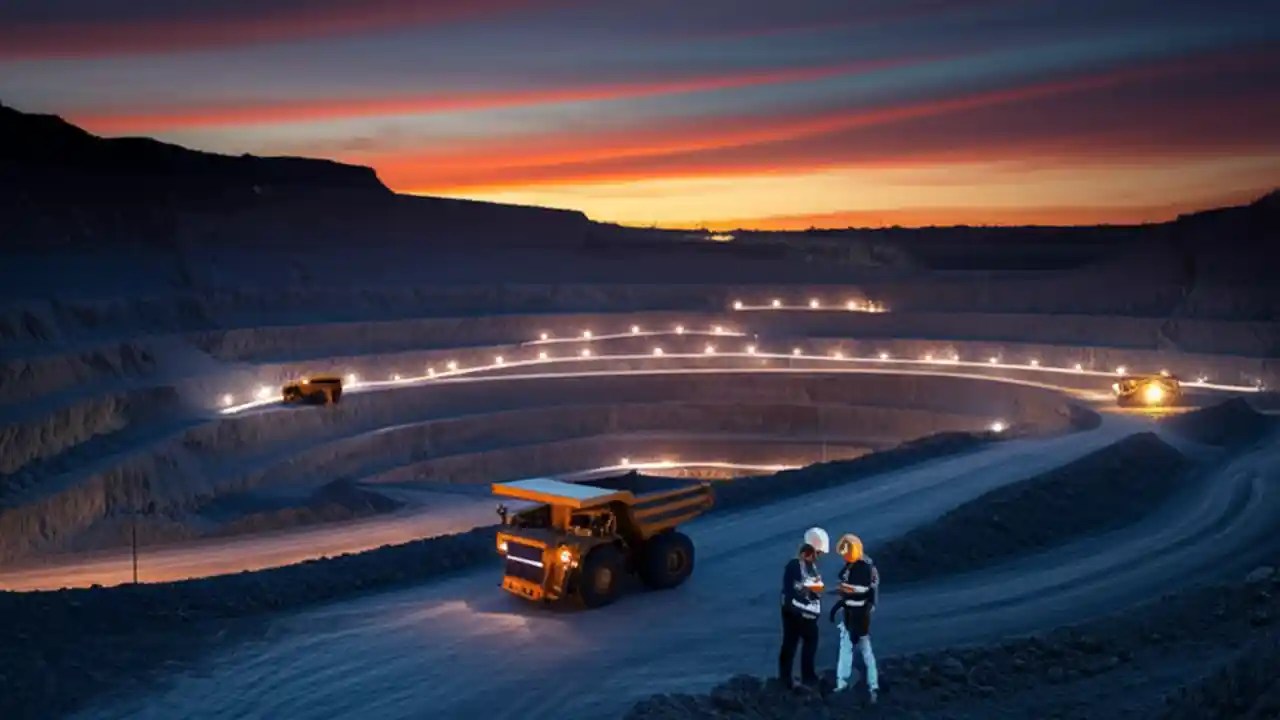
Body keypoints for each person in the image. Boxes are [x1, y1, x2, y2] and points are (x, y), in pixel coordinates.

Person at [830, 533, 879, 702]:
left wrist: (845, 589)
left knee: (864, 649)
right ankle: (845, 682)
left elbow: (863, 589)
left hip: (860, 614)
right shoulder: (851, 568)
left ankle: (872, 685)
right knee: (849, 647)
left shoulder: (864, 568)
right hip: (850, 613)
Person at [779, 526, 829, 689]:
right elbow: (794, 589)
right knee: (793, 643)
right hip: (797, 612)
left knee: (802, 643)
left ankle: (797, 677)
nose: (819, 557)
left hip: (805, 613)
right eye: (818, 553)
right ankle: (792, 678)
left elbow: (816, 588)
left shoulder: (809, 567)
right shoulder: (796, 566)